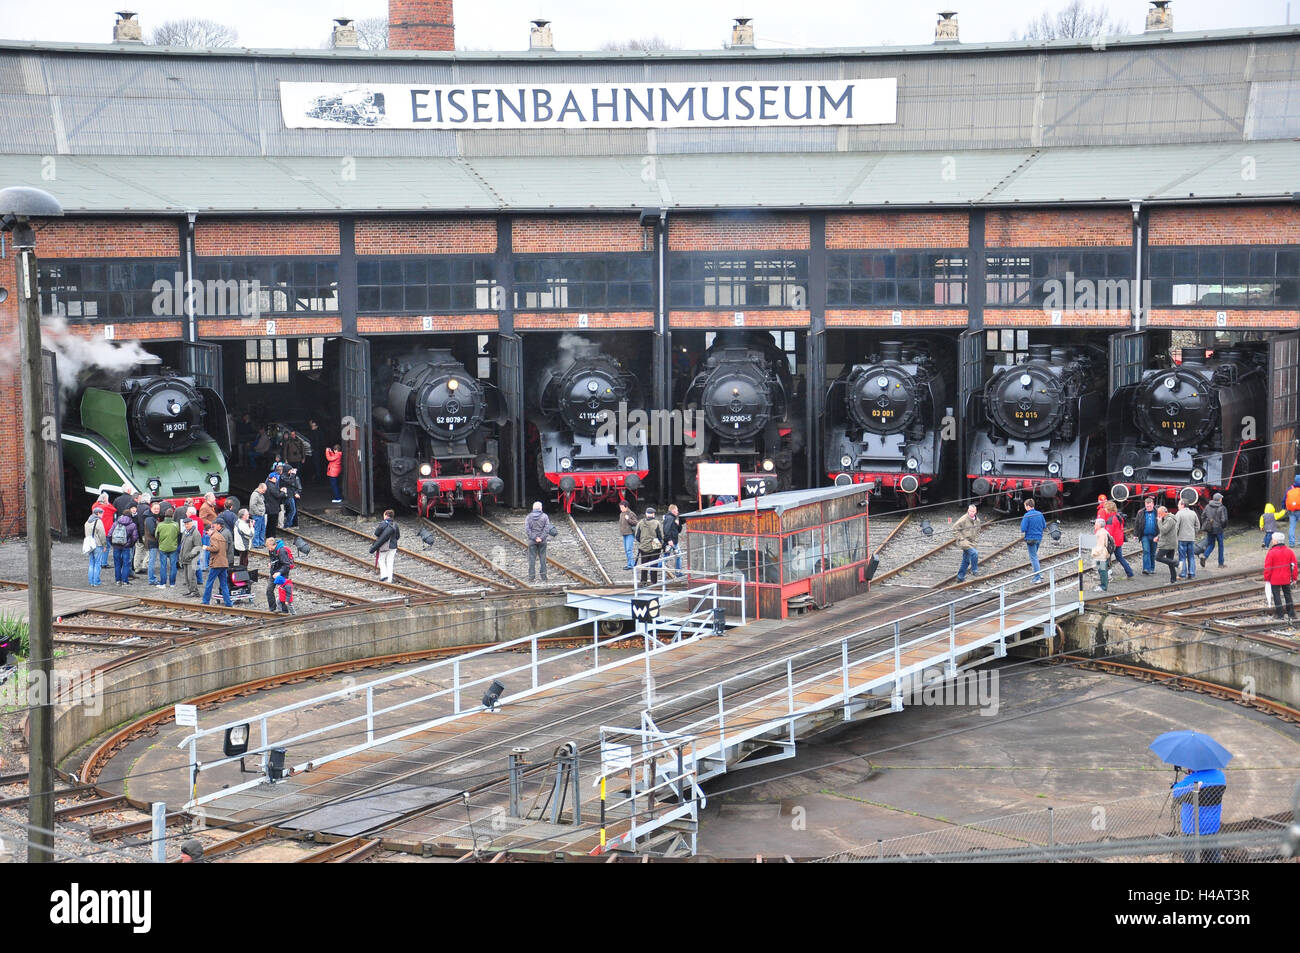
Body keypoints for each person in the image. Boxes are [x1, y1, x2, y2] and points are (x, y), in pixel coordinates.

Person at [1171, 767, 1226, 863]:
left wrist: (1176, 785)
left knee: (1190, 856)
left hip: (1191, 827)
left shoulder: (1192, 779)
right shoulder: (1220, 776)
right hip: (1212, 826)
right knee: (1213, 856)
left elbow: (1176, 793)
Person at [1263, 532, 1298, 621]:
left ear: (1275, 541)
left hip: (1275, 579)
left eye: (1273, 539)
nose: (1272, 541)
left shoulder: (1271, 553)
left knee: (1276, 596)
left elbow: (1268, 567)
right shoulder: (1289, 551)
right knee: (1288, 595)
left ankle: (1280, 614)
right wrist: (1294, 578)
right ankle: (1291, 613)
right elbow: (1294, 566)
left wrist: (1267, 578)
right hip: (1286, 578)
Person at [201, 523, 232, 607]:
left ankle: (205, 601)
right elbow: (224, 548)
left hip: (216, 564)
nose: (207, 534)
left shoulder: (213, 537)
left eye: (207, 532)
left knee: (209, 583)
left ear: (210, 530)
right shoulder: (220, 535)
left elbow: (215, 548)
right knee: (224, 584)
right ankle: (228, 603)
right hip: (223, 563)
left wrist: (206, 548)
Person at [1104, 500, 1135, 582]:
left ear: (1109, 509)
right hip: (1119, 540)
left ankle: (1105, 576)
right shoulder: (1119, 516)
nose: (1105, 510)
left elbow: (1108, 533)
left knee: (1106, 558)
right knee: (1120, 558)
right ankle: (1130, 573)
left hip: (1112, 542)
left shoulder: (1110, 520)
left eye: (1106, 508)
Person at [634, 506, 664, 586]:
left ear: (646, 514)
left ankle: (643, 581)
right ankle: (654, 582)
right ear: (653, 514)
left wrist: (643, 542)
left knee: (644, 565)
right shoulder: (656, 523)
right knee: (654, 565)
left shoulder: (640, 523)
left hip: (643, 548)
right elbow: (660, 536)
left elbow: (637, 536)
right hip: (654, 548)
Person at [110, 507, 139, 586]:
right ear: (130, 516)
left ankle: (118, 580)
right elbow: (135, 537)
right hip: (126, 546)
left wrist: (112, 543)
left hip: (116, 546)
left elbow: (109, 534)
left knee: (117, 563)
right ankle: (125, 581)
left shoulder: (116, 523)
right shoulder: (132, 525)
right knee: (126, 563)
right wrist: (130, 544)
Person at [369, 510, 400, 583]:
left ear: (386, 515)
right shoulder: (395, 525)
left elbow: (376, 533)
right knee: (390, 562)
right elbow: (398, 536)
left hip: (384, 546)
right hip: (393, 547)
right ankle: (389, 579)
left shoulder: (383, 524)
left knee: (381, 560)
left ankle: (384, 575)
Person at [524, 501, 551, 583]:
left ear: (533, 508)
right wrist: (541, 538)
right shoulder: (545, 516)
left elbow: (527, 530)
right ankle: (544, 576)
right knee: (543, 558)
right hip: (542, 541)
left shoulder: (528, 517)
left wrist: (534, 538)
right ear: (540, 508)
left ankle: (531, 577)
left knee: (532, 558)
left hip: (532, 541)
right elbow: (547, 529)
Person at [1020, 498, 1046, 583]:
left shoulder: (1027, 515)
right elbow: (1044, 525)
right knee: (1035, 556)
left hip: (1031, 539)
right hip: (1039, 538)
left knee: (1033, 557)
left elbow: (1023, 529)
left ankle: (1037, 577)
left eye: (1025, 506)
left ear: (1028, 506)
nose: (1025, 508)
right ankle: (1038, 573)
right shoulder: (1040, 514)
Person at [1200, 492, 1229, 568]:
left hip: (1210, 528)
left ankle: (1205, 556)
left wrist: (1206, 524)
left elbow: (1202, 516)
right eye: (1221, 498)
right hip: (1218, 529)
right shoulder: (1222, 507)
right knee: (1220, 546)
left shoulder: (1207, 506)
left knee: (1211, 544)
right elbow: (1224, 520)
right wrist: (1223, 527)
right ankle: (1220, 563)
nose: (1221, 499)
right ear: (1219, 499)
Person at [953, 504, 980, 582]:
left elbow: (978, 530)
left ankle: (960, 577)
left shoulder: (977, 520)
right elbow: (955, 528)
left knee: (966, 560)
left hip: (972, 542)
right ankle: (974, 570)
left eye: (973, 511)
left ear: (976, 511)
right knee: (974, 553)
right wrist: (961, 538)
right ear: (968, 510)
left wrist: (976, 540)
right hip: (964, 542)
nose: (971, 512)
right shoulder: (963, 519)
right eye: (970, 511)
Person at [1175, 498, 1201, 579]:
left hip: (1182, 539)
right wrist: (1193, 533)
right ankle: (1192, 573)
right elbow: (1198, 526)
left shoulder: (1179, 514)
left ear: (1182, 504)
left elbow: (1176, 527)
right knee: (1191, 556)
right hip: (1191, 539)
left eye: (1179, 504)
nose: (1178, 505)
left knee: (1182, 557)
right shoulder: (1193, 513)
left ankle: (1183, 574)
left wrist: (1176, 536)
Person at [267, 538, 294, 612]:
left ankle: (284, 611)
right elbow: (272, 559)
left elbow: (286, 565)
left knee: (283, 592)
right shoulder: (271, 550)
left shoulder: (281, 551)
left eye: (270, 547)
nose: (269, 549)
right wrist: (271, 563)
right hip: (273, 573)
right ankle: (272, 609)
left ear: (274, 545)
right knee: (269, 590)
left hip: (282, 574)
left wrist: (279, 572)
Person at [1154, 505, 1179, 584]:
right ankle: (1173, 580)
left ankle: (1176, 563)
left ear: (1164, 513)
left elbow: (1164, 530)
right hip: (1168, 542)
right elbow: (1164, 532)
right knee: (1169, 562)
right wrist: (1158, 537)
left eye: (1159, 513)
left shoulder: (1170, 520)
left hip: (1168, 544)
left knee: (1158, 557)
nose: (1158, 515)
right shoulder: (1166, 519)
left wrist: (1159, 521)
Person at [155, 508, 180, 588]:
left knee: (163, 566)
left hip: (163, 547)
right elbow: (178, 534)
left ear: (165, 515)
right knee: (173, 566)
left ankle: (163, 583)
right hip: (173, 547)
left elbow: (156, 535)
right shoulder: (176, 524)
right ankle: (172, 583)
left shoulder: (160, 525)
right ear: (172, 515)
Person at [178, 518, 202, 597]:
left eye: (188, 524)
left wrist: (190, 556)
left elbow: (198, 548)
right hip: (185, 558)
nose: (186, 525)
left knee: (191, 576)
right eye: (185, 524)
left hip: (192, 559)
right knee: (186, 577)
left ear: (192, 523)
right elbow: (182, 545)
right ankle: (190, 590)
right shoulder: (185, 532)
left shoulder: (196, 533)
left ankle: (195, 592)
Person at [83, 507, 107, 587]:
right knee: (97, 563)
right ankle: (96, 581)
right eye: (102, 513)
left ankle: (91, 581)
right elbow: (102, 535)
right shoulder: (98, 521)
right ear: (98, 513)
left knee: (91, 563)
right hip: (97, 544)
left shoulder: (87, 522)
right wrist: (104, 545)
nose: (103, 514)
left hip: (89, 545)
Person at [1090, 517, 1113, 592]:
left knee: (1102, 570)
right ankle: (1103, 584)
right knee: (1102, 570)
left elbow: (1100, 545)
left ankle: (1104, 586)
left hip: (1101, 555)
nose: (1094, 525)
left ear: (1099, 525)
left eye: (1096, 524)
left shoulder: (1101, 533)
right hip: (1102, 554)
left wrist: (1094, 553)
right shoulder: (1102, 531)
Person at [1138, 497, 1159, 574]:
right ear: (1145, 505)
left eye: (1150, 506)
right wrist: (1135, 534)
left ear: (1153, 504)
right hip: (1145, 536)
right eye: (1147, 506)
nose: (1148, 508)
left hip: (1155, 536)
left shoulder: (1157, 512)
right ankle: (1146, 568)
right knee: (1146, 551)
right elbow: (1137, 523)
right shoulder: (1141, 513)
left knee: (1153, 553)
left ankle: (1152, 568)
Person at [662, 503, 683, 578]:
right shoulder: (670, 518)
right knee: (668, 558)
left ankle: (677, 572)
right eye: (677, 510)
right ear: (673, 511)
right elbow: (666, 530)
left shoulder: (673, 518)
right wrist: (669, 540)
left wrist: (678, 524)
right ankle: (677, 572)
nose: (678, 512)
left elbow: (679, 530)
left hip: (674, 541)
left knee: (673, 557)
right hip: (670, 542)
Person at [618, 501, 638, 571]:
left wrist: (628, 519)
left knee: (629, 550)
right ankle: (629, 564)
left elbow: (636, 522)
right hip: (624, 534)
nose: (621, 509)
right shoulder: (621, 514)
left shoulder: (631, 513)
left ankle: (631, 565)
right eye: (620, 507)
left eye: (622, 507)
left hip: (630, 533)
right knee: (627, 550)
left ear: (626, 507)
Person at [249, 483, 267, 549]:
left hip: (261, 514)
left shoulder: (260, 494)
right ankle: (256, 544)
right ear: (260, 488)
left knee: (262, 529)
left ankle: (261, 542)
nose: (264, 492)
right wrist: (258, 512)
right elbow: (252, 505)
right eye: (263, 490)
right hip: (257, 515)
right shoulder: (255, 495)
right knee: (257, 529)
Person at [1287, 475, 1300, 546]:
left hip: (1291, 510)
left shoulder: (1290, 489)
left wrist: (1284, 507)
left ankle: (1291, 543)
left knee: (1292, 526)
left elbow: (1284, 499)